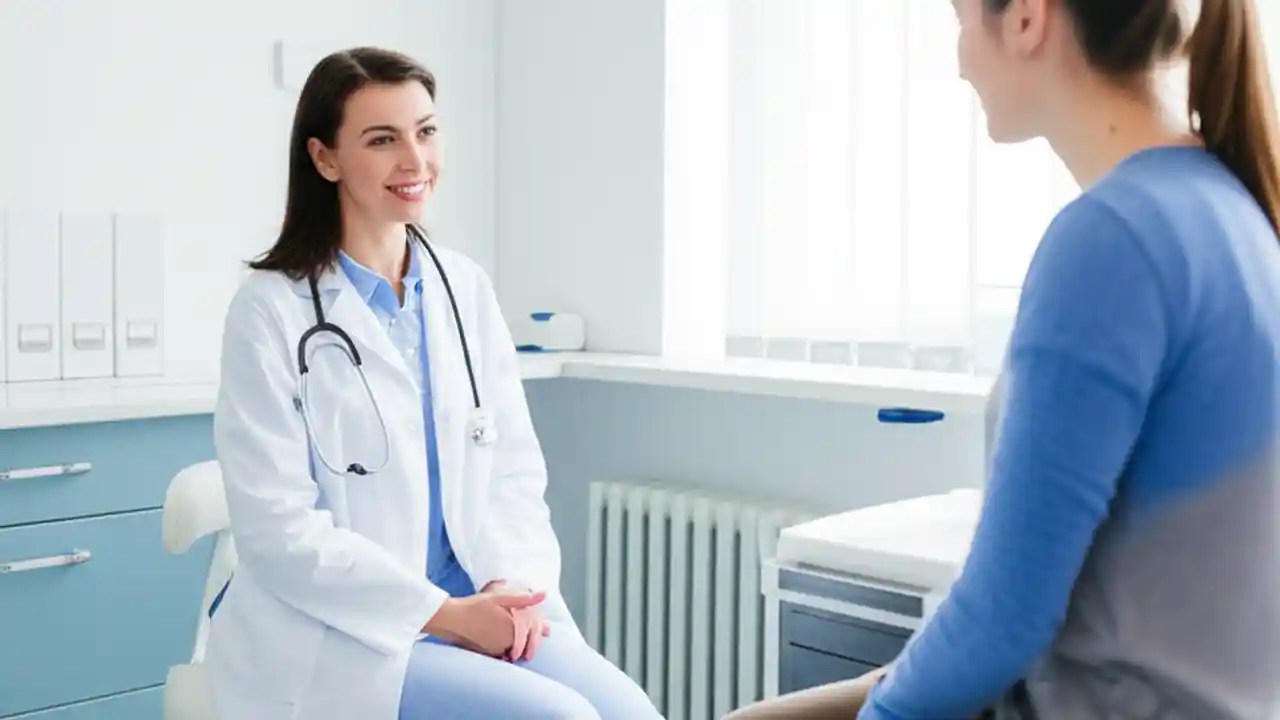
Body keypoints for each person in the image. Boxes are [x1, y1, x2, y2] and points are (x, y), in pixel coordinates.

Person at [728, 0, 1280, 718]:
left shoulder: (1112, 241)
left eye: (959, 18)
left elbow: (1002, 623)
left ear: (1025, 18)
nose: (958, 60)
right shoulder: (1237, 217)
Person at [207, 47, 661, 720]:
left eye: (426, 131)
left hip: (479, 598)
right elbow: (279, 533)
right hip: (351, 633)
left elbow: (512, 473)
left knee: (631, 713)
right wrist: (446, 614)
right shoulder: (270, 310)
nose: (415, 161)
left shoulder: (463, 288)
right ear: (325, 158)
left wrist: (512, 585)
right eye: (382, 139)